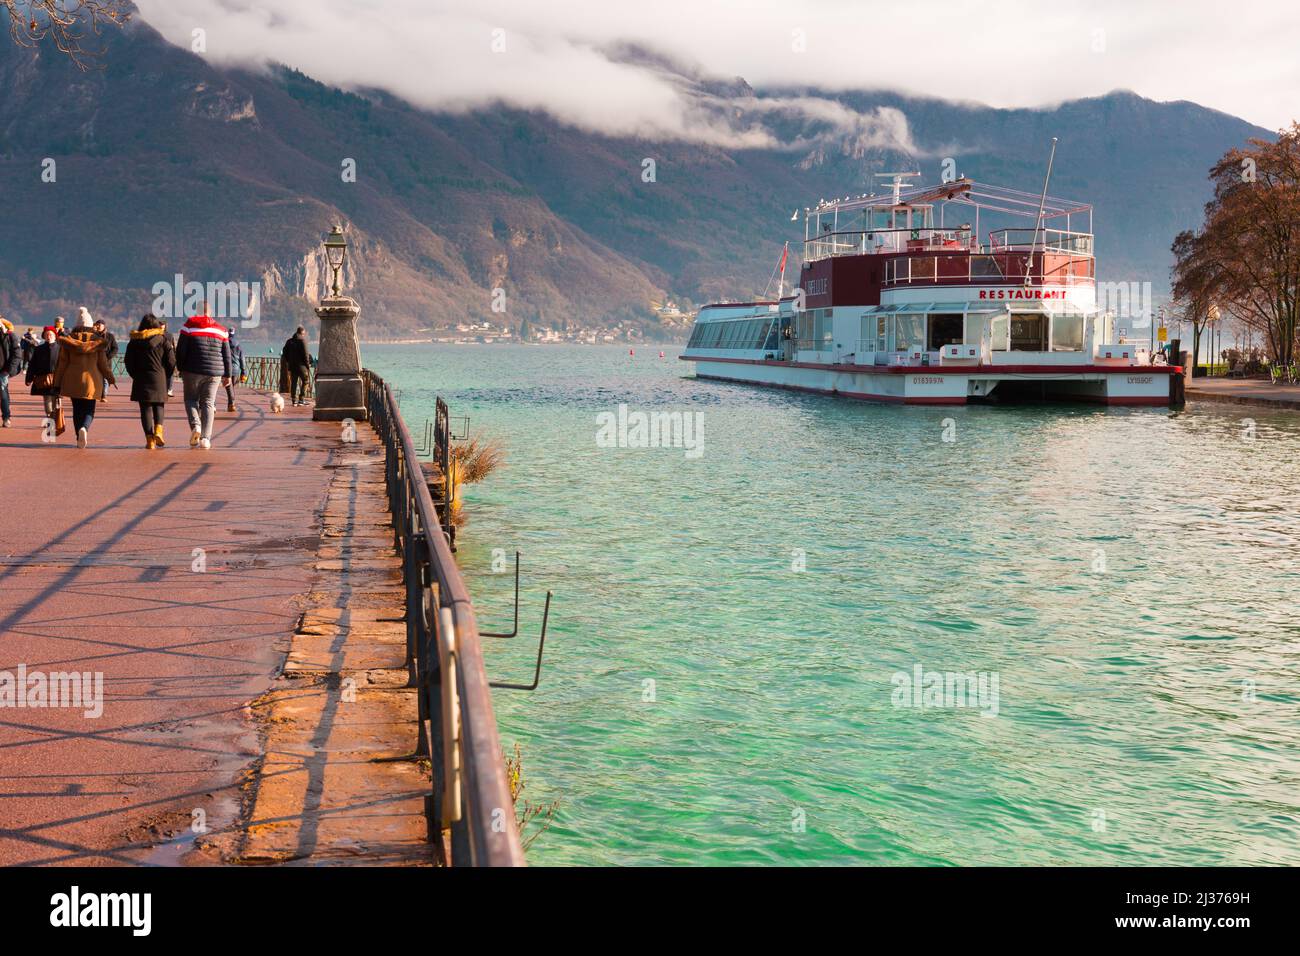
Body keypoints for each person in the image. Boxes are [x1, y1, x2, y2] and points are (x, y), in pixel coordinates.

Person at [53, 311, 114, 448]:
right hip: (92, 381)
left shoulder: (68, 341)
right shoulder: (98, 342)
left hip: (72, 380)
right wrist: (111, 379)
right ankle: (84, 428)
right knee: (89, 409)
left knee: (77, 409)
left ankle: (78, 436)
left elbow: (62, 364)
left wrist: (57, 384)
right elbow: (103, 365)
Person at [175, 306, 232, 450]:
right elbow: (227, 355)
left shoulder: (188, 328)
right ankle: (206, 439)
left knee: (190, 399)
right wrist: (228, 375)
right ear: (210, 313)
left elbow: (181, 350)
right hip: (214, 373)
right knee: (208, 403)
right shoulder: (221, 330)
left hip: (192, 370)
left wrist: (180, 368)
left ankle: (196, 425)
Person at [124, 314, 176, 450]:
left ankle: (150, 440)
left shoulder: (134, 341)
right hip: (159, 377)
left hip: (141, 378)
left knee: (145, 409)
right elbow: (171, 361)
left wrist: (134, 375)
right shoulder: (163, 340)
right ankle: (159, 431)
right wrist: (167, 375)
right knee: (159, 405)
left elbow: (128, 361)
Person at [25, 326, 61, 431]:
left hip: (57, 379)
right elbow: (32, 365)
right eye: (47, 335)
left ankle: (53, 420)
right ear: (44, 336)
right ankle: (50, 418)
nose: (49, 336)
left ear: (55, 336)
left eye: (51, 334)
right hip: (43, 379)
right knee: (47, 402)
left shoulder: (61, 349)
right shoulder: (39, 349)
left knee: (55, 402)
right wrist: (29, 378)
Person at [282, 326, 311, 406]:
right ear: (302, 333)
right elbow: (306, 355)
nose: (304, 335)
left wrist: (289, 361)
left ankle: (294, 400)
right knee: (306, 381)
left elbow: (284, 352)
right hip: (301, 366)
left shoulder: (289, 341)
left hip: (292, 366)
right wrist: (307, 365)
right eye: (304, 334)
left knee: (294, 382)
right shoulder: (302, 341)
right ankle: (301, 399)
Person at [0, 316, 21, 427]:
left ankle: (6, 417)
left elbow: (17, 354)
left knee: (3, 395)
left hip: (3, 371)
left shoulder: (10, 336)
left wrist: (9, 371)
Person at [92, 317, 119, 402]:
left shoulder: (110, 336)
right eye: (97, 324)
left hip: (106, 361)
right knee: (95, 377)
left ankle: (103, 395)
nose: (99, 326)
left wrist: (108, 357)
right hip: (95, 361)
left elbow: (115, 348)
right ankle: (96, 394)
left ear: (104, 326)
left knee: (105, 379)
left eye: (100, 324)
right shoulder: (93, 336)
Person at [224, 325, 245, 412]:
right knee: (231, 387)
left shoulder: (225, 342)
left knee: (229, 387)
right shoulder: (238, 344)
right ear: (234, 333)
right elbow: (242, 358)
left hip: (226, 369)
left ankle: (231, 404)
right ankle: (231, 404)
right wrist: (243, 371)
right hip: (236, 369)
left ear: (228, 333)